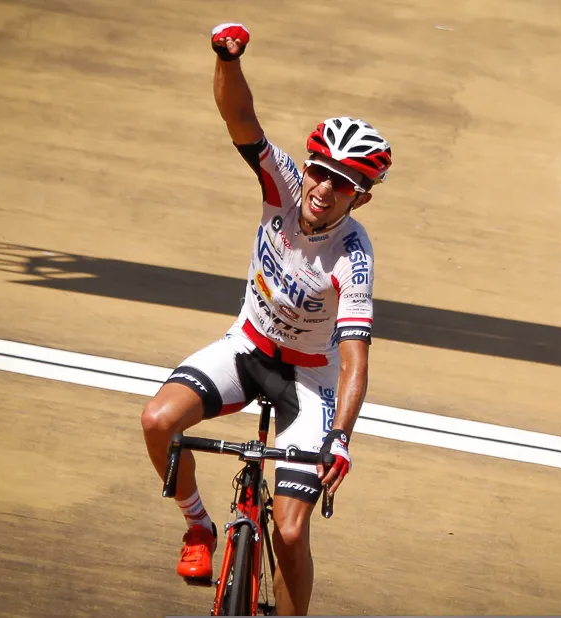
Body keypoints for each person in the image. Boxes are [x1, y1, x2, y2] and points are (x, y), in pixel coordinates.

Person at [140, 22, 392, 615]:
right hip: (246, 347)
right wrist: (227, 61)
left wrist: (343, 438)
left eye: (345, 183)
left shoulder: (354, 257)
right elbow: (241, 120)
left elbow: (356, 359)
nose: (324, 188)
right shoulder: (282, 183)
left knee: (293, 533)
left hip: (307, 381)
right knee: (157, 421)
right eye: (320, 170)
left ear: (363, 197)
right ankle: (198, 526)